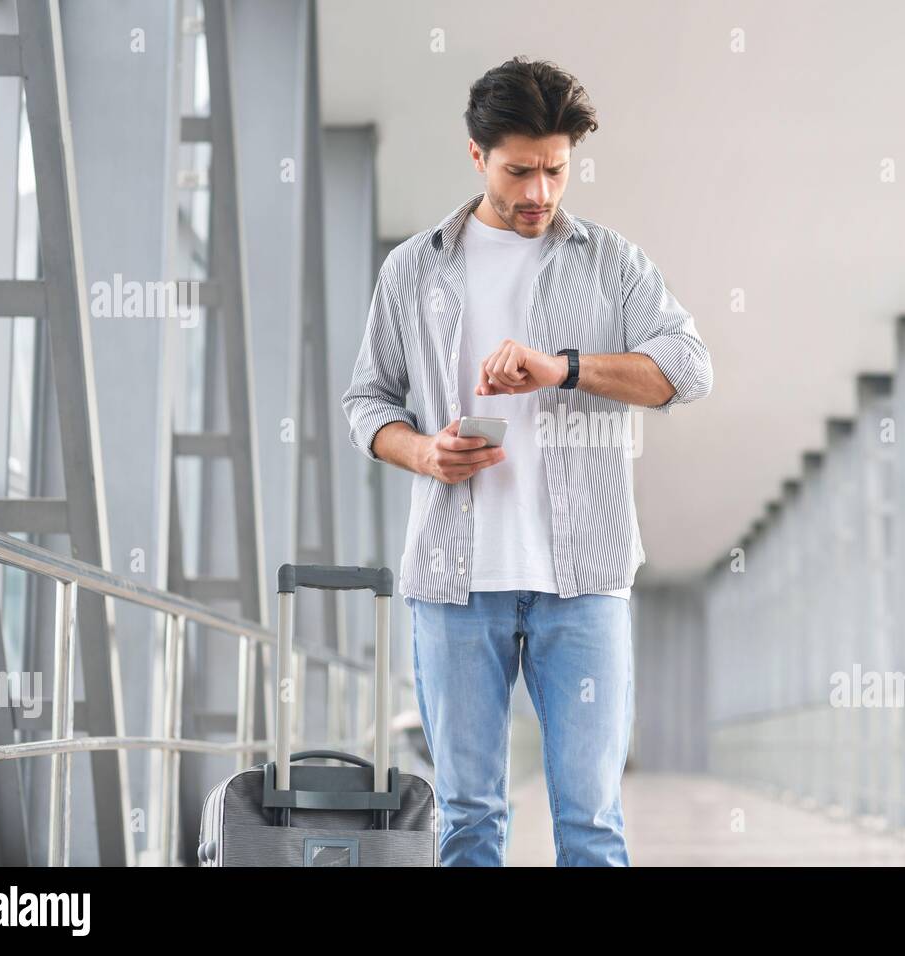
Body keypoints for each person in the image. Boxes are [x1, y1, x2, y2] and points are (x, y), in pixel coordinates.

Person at [341, 55, 713, 866]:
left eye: (556, 170)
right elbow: (366, 403)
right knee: (470, 818)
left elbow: (688, 369)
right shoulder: (414, 269)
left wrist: (564, 366)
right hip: (452, 583)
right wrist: (423, 451)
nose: (539, 193)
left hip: (584, 585)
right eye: (519, 171)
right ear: (476, 157)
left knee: (591, 820)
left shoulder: (612, 264)